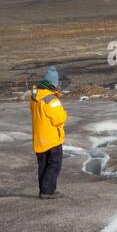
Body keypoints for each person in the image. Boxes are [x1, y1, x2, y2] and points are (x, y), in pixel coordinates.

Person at [27, 67, 67, 199]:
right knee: (54, 164)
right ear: (53, 83)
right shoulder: (51, 99)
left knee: (43, 165)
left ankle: (44, 190)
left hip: (39, 138)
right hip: (51, 138)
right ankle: (47, 191)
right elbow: (59, 119)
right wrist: (64, 113)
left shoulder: (35, 97)